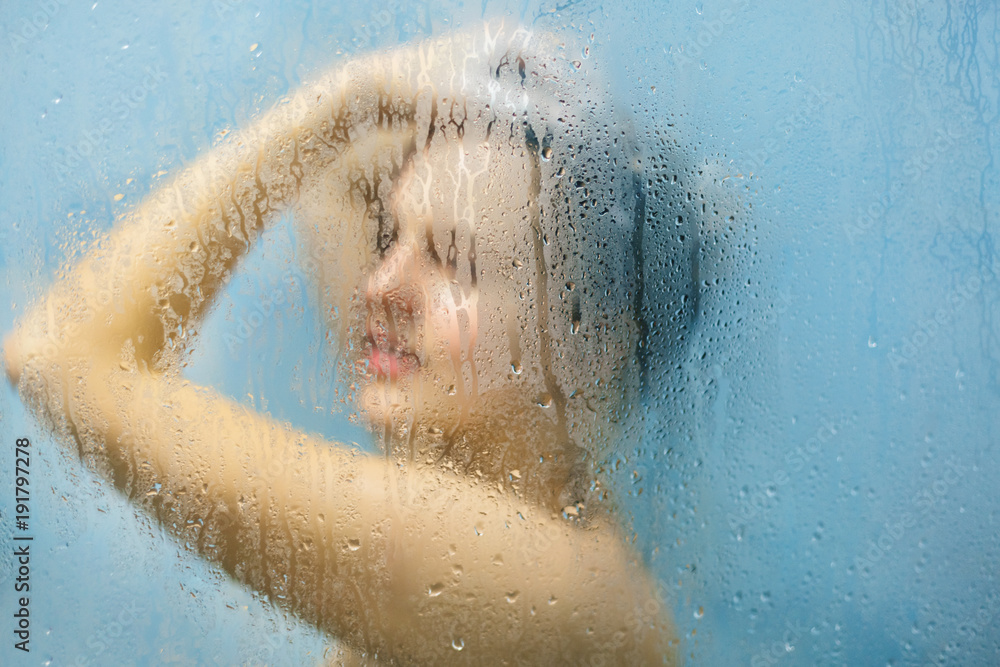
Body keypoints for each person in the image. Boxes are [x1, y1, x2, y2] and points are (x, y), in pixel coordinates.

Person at [3, 23, 681, 665]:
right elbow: (336, 181)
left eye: (455, 260)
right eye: (392, 236)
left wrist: (350, 94)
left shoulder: (551, 585)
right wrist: (476, 85)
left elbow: (58, 356)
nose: (380, 284)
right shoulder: (464, 456)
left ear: (586, 345)